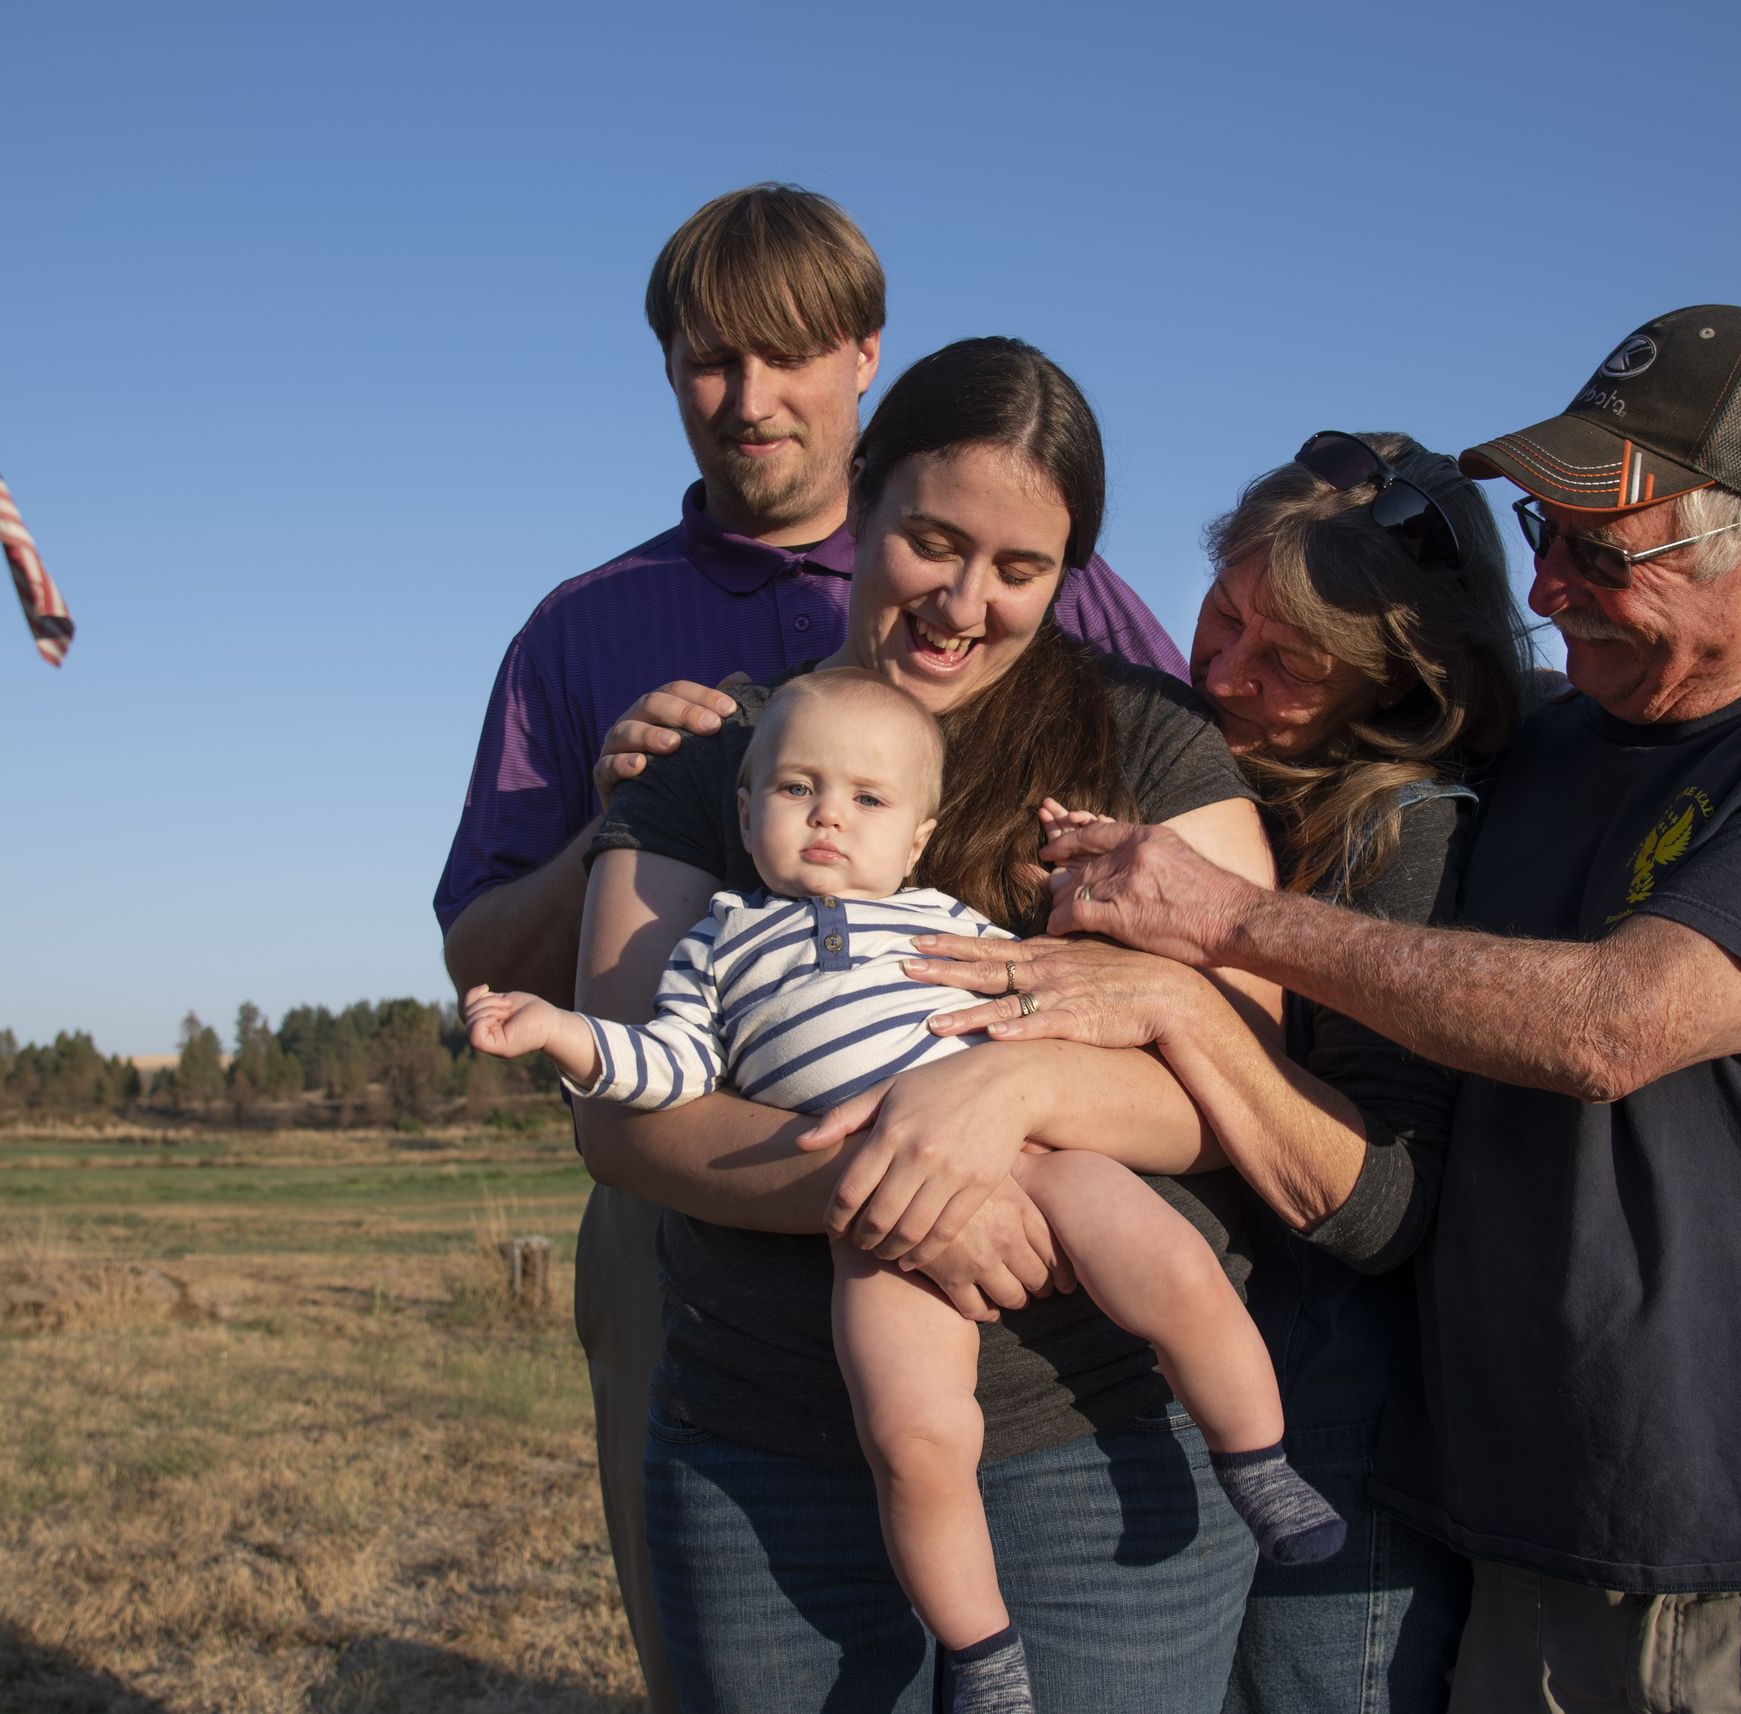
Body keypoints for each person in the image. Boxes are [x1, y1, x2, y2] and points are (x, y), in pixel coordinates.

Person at [992, 307, 1741, 1711]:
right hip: (1530, 1557)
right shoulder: (1536, 751)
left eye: (1602, 555)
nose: (1549, 591)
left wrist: (1226, 922)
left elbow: (1616, 1024)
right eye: (1541, 538)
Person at [430, 183, 1184, 1708]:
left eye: (789, 356)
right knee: (739, 1636)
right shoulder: (585, 628)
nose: (749, 399)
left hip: (1042, 1190)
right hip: (693, 1203)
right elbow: (475, 950)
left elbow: (1180, 813)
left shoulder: (1032, 562)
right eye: (709, 361)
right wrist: (610, 827)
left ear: (867, 359)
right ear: (666, 371)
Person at [573, 336, 1281, 1712]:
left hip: (1096, 1443)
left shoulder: (1151, 748)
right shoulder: (712, 763)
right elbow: (626, 1115)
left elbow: (1243, 1080)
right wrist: (894, 1182)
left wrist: (1002, 1097)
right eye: (932, 543)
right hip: (766, 1453)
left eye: (1020, 571)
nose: (965, 601)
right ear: (863, 509)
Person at [465, 669, 1344, 1713]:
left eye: (867, 799)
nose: (830, 813)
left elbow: (1054, 988)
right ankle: (984, 1652)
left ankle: (1259, 1462)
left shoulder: (945, 918)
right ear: (743, 812)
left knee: (1179, 1273)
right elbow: (659, 1070)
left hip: (1033, 1161)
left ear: (918, 837)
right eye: (796, 789)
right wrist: (556, 1029)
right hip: (873, 1236)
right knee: (915, 1437)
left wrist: (1085, 866)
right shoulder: (714, 949)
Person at [907, 430, 1534, 1714]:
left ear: (1398, 683)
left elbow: (1383, 1205)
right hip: (1122, 1388)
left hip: (1328, 1416)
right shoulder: (1162, 753)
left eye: (1289, 661)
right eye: (1225, 612)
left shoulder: (1398, 839)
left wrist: (1175, 1000)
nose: (1228, 671)